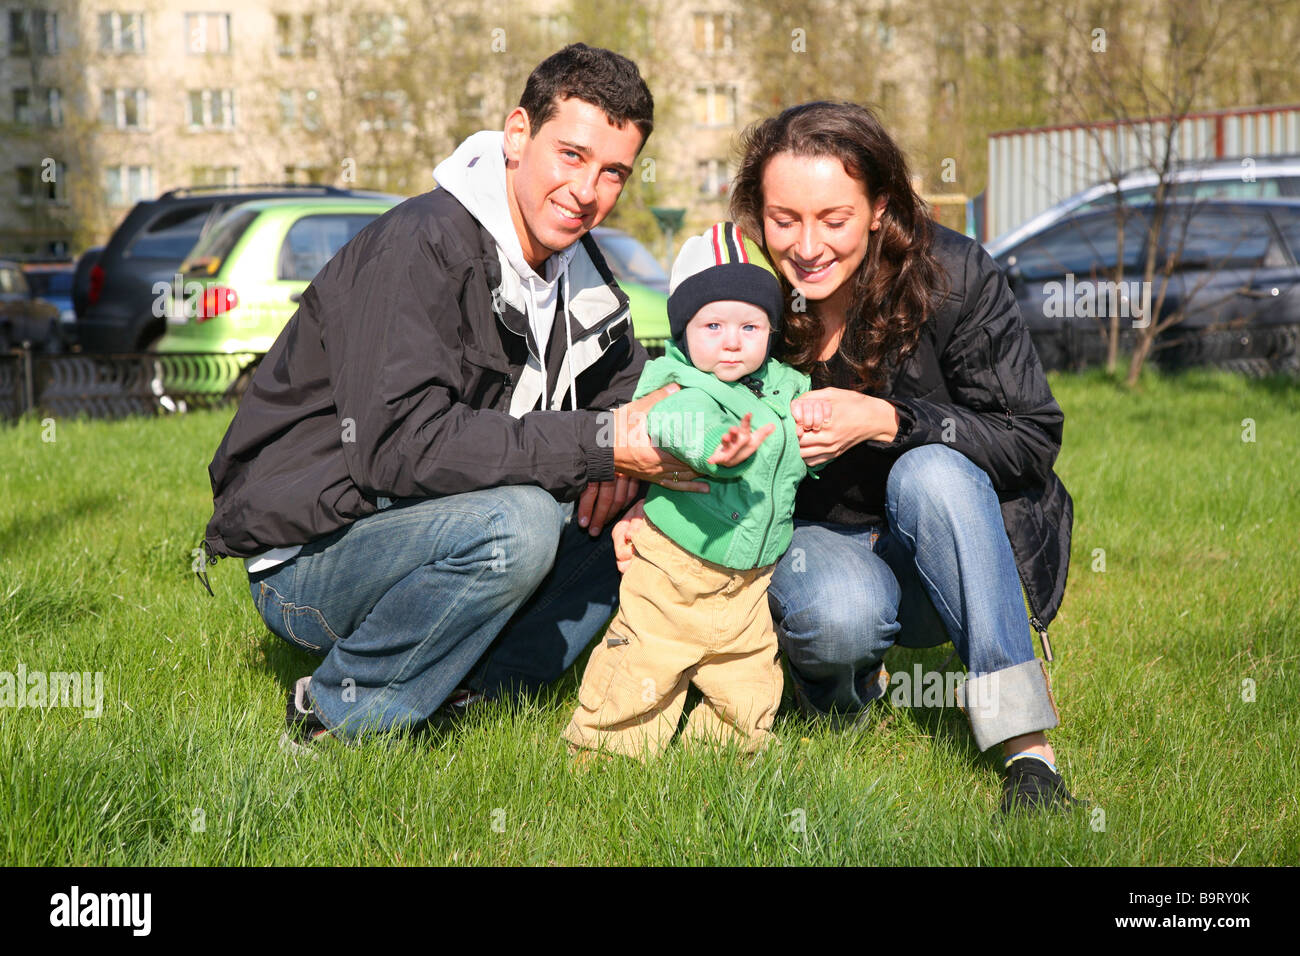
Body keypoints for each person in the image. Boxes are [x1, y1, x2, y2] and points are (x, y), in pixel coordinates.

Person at [200, 44, 706, 747]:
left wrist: (640, 441)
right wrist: (601, 445)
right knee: (521, 526)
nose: (587, 190)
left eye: (613, 172)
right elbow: (397, 449)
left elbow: (631, 392)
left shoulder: (574, 263)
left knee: (650, 507)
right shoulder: (418, 245)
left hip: (430, 522)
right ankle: (334, 716)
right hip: (314, 554)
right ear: (518, 135)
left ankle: (466, 696)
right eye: (571, 155)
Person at [614, 102, 1081, 813]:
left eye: (834, 219)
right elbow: (689, 400)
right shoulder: (747, 290)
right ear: (758, 214)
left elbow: (1029, 437)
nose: (807, 246)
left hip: (946, 552)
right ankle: (845, 697)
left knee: (931, 469)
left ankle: (1026, 749)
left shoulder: (954, 275)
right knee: (839, 615)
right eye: (784, 220)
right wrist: (652, 498)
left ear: (878, 209)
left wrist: (889, 419)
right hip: (815, 540)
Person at [564, 223, 827, 758]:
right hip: (676, 570)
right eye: (713, 325)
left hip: (751, 579)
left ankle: (723, 758)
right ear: (684, 331)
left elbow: (799, 449)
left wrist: (820, 433)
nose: (732, 341)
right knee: (645, 662)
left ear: (771, 330)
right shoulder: (682, 384)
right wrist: (716, 450)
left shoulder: (786, 387)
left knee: (748, 678)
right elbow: (676, 423)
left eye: (750, 326)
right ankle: (603, 753)